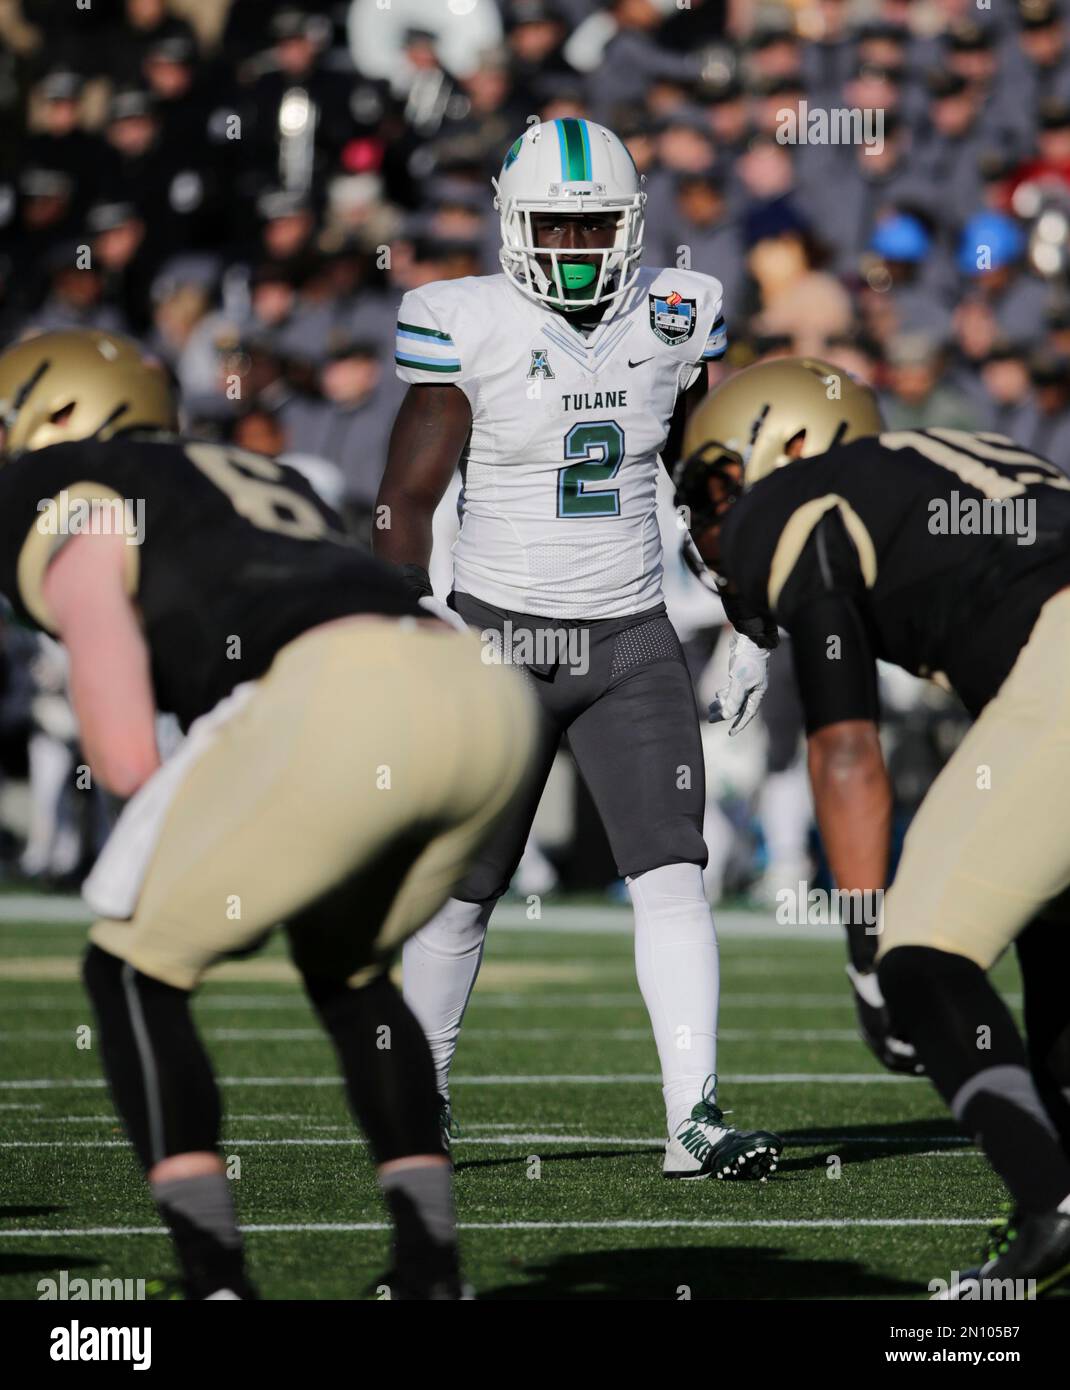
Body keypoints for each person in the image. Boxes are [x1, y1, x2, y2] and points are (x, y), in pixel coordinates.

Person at [0, 329, 536, 1300]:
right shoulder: (242, 468)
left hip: (340, 698)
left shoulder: (70, 487)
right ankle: (429, 1274)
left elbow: (121, 731)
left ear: (57, 415)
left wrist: (151, 814)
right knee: (351, 972)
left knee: (129, 971)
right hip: (478, 687)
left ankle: (213, 1280)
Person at [375, 117, 782, 1180]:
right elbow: (403, 500)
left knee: (673, 872)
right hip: (493, 638)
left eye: (590, 224)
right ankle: (422, 1102)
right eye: (552, 222)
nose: (570, 244)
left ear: (631, 224)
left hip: (631, 636)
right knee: (463, 887)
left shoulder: (677, 312)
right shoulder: (464, 319)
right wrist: (406, 622)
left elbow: (710, 491)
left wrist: (747, 616)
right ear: (512, 222)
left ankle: (691, 1115)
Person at [674, 356, 1070, 1294]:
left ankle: (1052, 1206)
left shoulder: (800, 503)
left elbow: (846, 750)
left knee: (924, 955)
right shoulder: (972, 451)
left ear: (794, 446)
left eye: (720, 485)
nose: (710, 520)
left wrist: (866, 945)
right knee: (1056, 938)